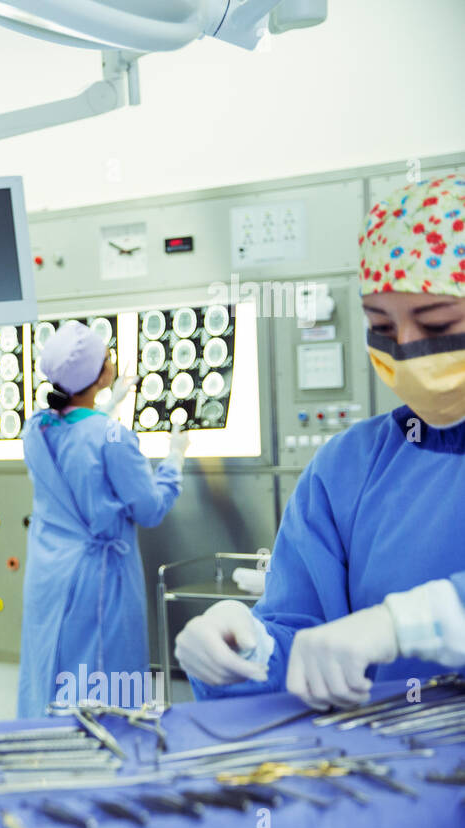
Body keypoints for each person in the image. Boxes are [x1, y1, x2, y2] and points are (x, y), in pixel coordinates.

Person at [175, 177, 465, 709]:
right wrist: (246, 646)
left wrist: (407, 623)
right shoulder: (349, 468)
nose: (407, 351)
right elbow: (303, 647)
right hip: (393, 770)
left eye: (438, 322)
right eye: (381, 325)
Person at [18, 321, 187, 717]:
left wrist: (109, 405)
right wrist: (175, 458)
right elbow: (149, 509)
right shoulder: (113, 438)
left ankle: (45, 753)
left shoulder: (34, 429)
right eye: (108, 357)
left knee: (50, 670)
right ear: (101, 374)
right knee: (102, 688)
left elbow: (77, 436)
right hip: (97, 580)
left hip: (49, 574)